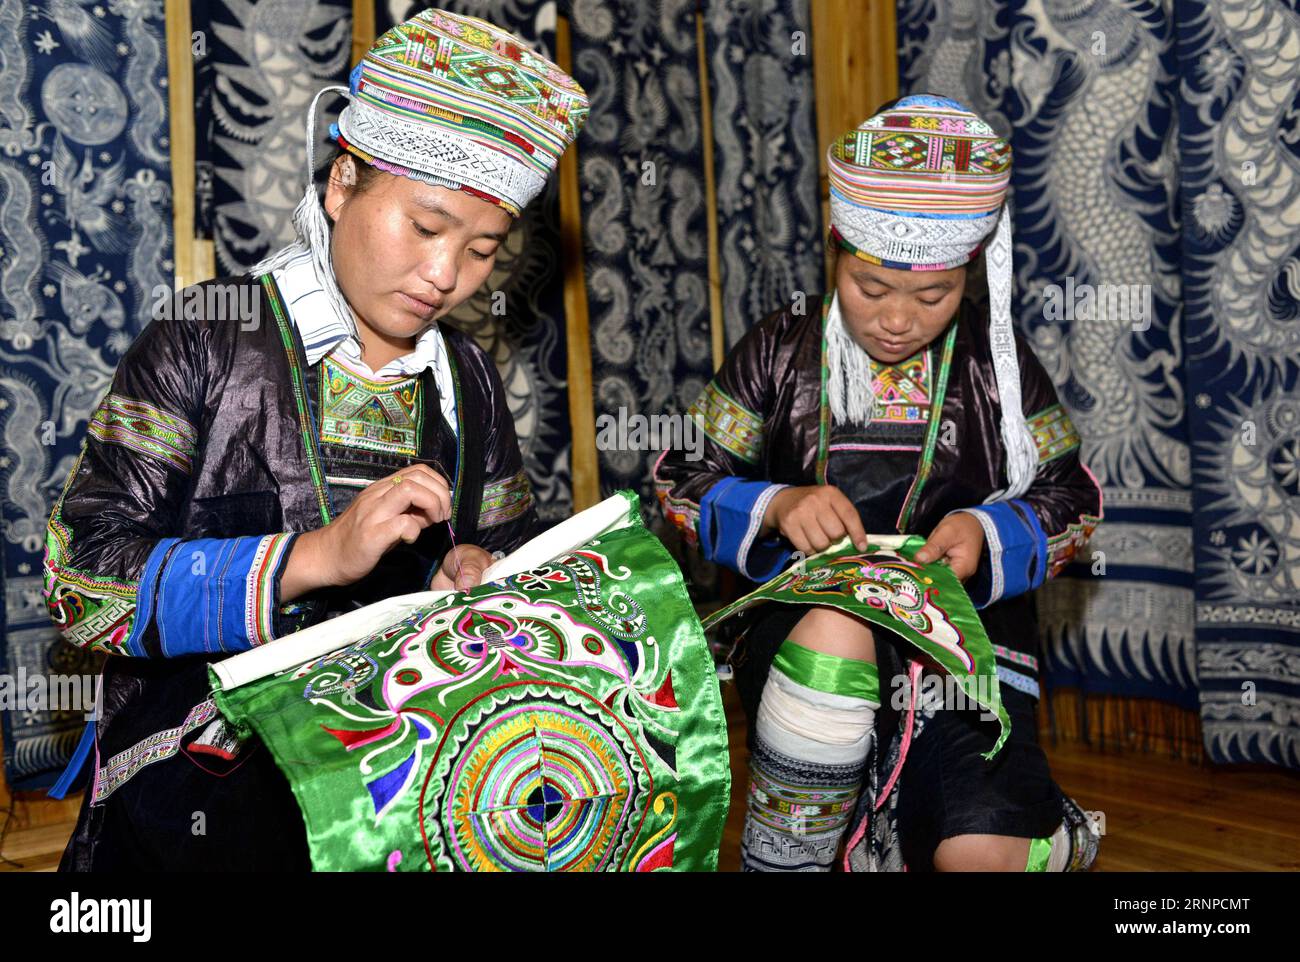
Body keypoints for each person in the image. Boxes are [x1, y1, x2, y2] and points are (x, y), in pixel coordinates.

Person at [44, 8, 588, 870]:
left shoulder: (466, 381)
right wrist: (313, 559)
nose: (448, 277)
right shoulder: (208, 337)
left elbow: (508, 551)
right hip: (212, 739)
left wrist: (476, 577)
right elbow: (82, 582)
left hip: (409, 726)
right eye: (424, 226)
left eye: (484, 249)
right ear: (342, 185)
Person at [654, 95, 1103, 872]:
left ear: (967, 277)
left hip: (963, 646)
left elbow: (1073, 496)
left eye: (933, 297)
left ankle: (1032, 829)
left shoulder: (996, 363)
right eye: (871, 289)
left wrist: (988, 535)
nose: (898, 319)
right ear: (835, 249)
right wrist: (778, 504)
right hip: (806, 631)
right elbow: (680, 478)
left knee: (981, 854)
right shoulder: (779, 349)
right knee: (838, 636)